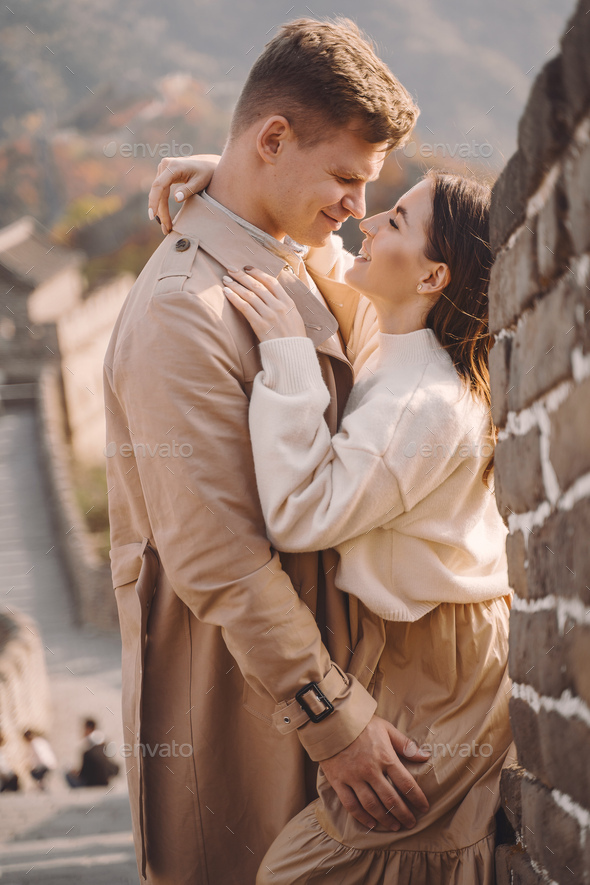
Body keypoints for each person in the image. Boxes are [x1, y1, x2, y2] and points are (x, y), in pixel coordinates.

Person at [106, 17, 430, 885]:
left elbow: (364, 288)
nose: (357, 209)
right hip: (246, 707)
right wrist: (334, 719)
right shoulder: (184, 308)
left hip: (311, 681)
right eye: (345, 179)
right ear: (274, 139)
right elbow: (219, 557)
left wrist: (232, 190)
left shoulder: (277, 257)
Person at [218, 171, 515, 883]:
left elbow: (300, 515)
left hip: (443, 664)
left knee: (310, 869)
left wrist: (288, 357)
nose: (369, 218)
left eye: (397, 220)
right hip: (413, 644)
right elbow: (323, 257)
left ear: (432, 274)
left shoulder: (425, 399)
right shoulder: (398, 338)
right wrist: (221, 178)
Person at [66, 718, 119, 788]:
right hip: (105, 781)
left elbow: (84, 772)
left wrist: (76, 772)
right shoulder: (103, 743)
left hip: (91, 783)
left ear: (88, 729)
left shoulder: (88, 749)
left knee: (67, 774)